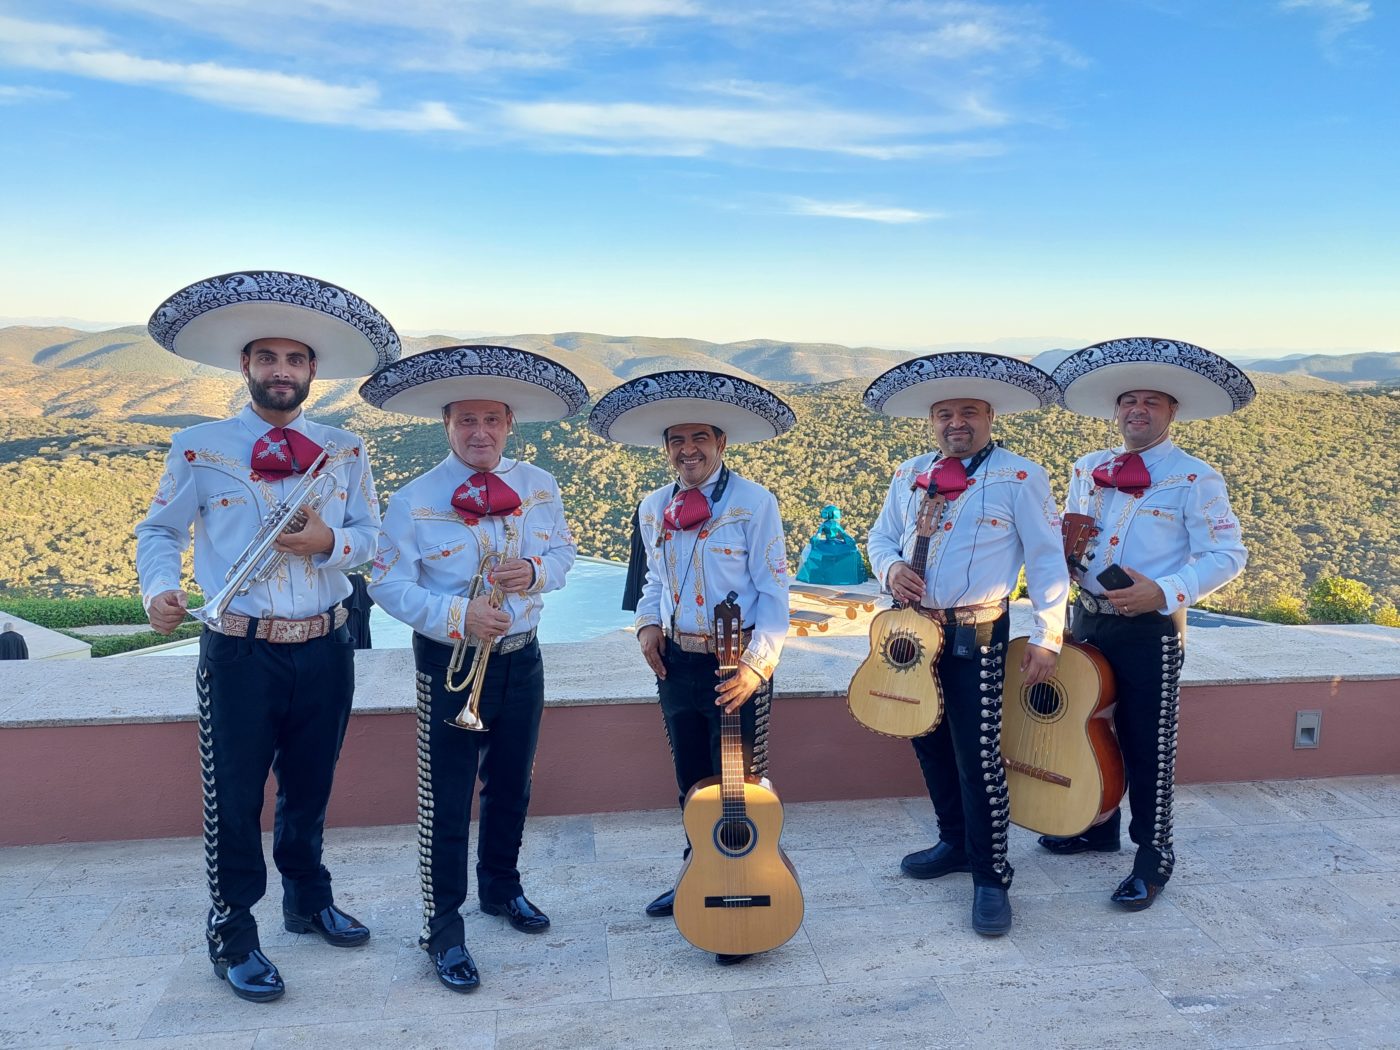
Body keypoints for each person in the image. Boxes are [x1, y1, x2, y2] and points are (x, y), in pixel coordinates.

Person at [135, 270, 400, 1002]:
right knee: (236, 794)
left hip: (325, 643)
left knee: (311, 787)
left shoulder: (344, 450)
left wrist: (327, 543)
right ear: (245, 367)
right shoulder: (197, 446)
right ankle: (232, 929)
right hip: (240, 649)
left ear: (313, 372)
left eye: (295, 360)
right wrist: (159, 588)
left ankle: (307, 898)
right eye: (267, 359)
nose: (281, 372)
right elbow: (158, 531)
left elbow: (373, 540)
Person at [361, 344, 587, 993]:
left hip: (523, 657)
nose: (480, 432)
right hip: (451, 666)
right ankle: (442, 926)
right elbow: (386, 585)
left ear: (509, 423)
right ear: (447, 426)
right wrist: (460, 617)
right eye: (466, 421)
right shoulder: (413, 500)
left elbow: (567, 552)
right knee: (448, 799)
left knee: (513, 784)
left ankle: (501, 890)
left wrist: (538, 571)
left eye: (492, 420)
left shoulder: (540, 486)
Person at [588, 370, 795, 965]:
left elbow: (774, 593)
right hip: (677, 661)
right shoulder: (654, 506)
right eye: (677, 440)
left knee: (742, 788)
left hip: (739, 662)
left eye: (700, 437)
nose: (688, 450)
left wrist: (758, 667)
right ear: (666, 448)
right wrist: (647, 625)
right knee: (690, 781)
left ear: (721, 443)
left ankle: (744, 881)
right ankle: (696, 876)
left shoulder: (756, 504)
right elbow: (654, 579)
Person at [863, 352, 1068, 936]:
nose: (958, 422)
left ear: (990, 417)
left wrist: (1049, 635)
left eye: (970, 412)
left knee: (977, 755)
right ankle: (953, 842)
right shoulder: (908, 473)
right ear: (932, 421)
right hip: (910, 630)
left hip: (976, 631)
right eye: (946, 413)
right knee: (923, 736)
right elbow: (880, 537)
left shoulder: (1021, 476)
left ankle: (990, 874)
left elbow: (1049, 562)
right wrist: (891, 569)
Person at [1044, 337, 1251, 910]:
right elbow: (1073, 533)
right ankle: (1097, 825)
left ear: (1171, 412)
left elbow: (1228, 555)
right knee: (1085, 729)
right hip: (1086, 620)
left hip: (1150, 630)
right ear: (1116, 410)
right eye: (1128, 401)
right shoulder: (1087, 467)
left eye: (1151, 403)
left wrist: (1164, 590)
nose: (1137, 410)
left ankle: (1152, 855)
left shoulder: (1194, 478)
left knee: (1146, 743)